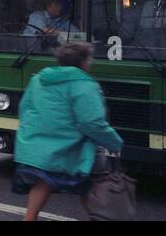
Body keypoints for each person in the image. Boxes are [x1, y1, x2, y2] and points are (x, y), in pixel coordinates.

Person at [12, 40, 123, 221]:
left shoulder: (39, 79)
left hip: (39, 148)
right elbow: (92, 123)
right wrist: (115, 142)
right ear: (83, 62)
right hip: (73, 150)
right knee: (90, 185)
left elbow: (25, 109)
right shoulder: (85, 85)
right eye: (90, 60)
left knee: (43, 182)